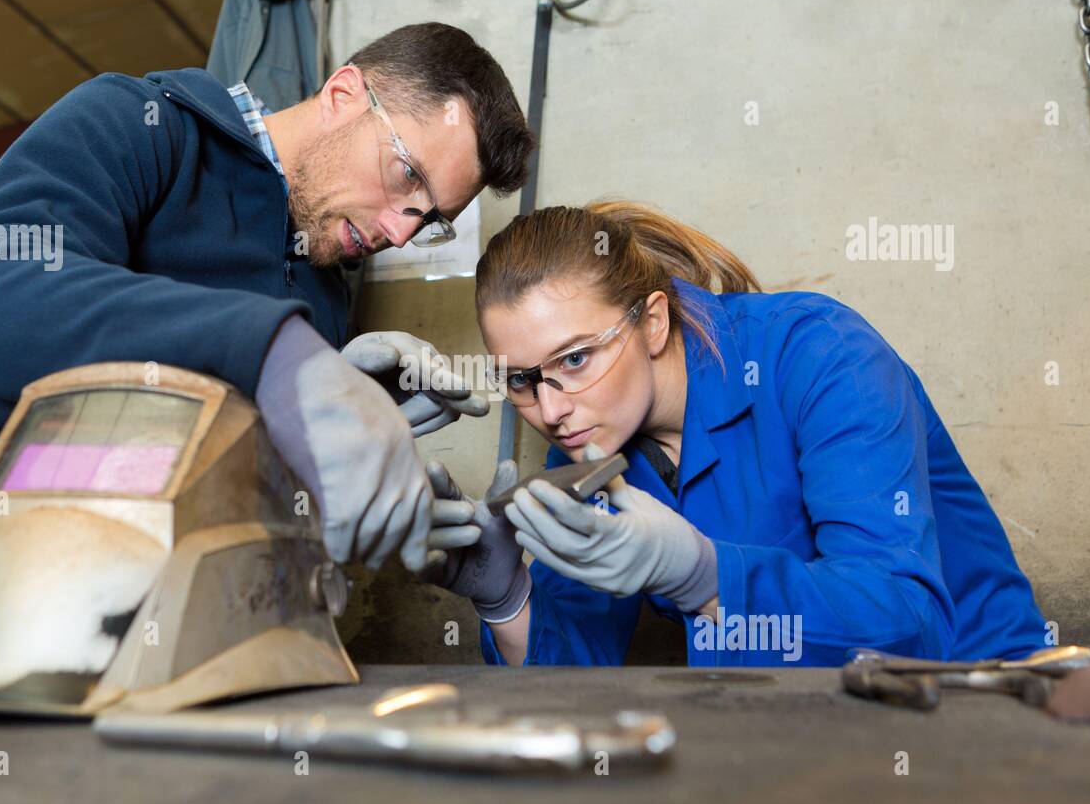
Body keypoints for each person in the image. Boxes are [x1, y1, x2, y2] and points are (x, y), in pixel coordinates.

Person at [0, 22, 534, 702]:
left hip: (202, 680)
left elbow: (217, 474)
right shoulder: (140, 127)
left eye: (429, 219)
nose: (399, 230)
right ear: (343, 94)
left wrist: (337, 424)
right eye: (405, 177)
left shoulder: (327, 279)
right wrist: (276, 353)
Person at [425, 201, 1048, 667]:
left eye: (576, 359)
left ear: (653, 324)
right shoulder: (598, 450)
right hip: (797, 738)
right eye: (522, 380)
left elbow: (910, 624)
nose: (551, 409)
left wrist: (709, 576)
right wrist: (506, 597)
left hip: (983, 712)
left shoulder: (821, 358)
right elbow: (576, 686)